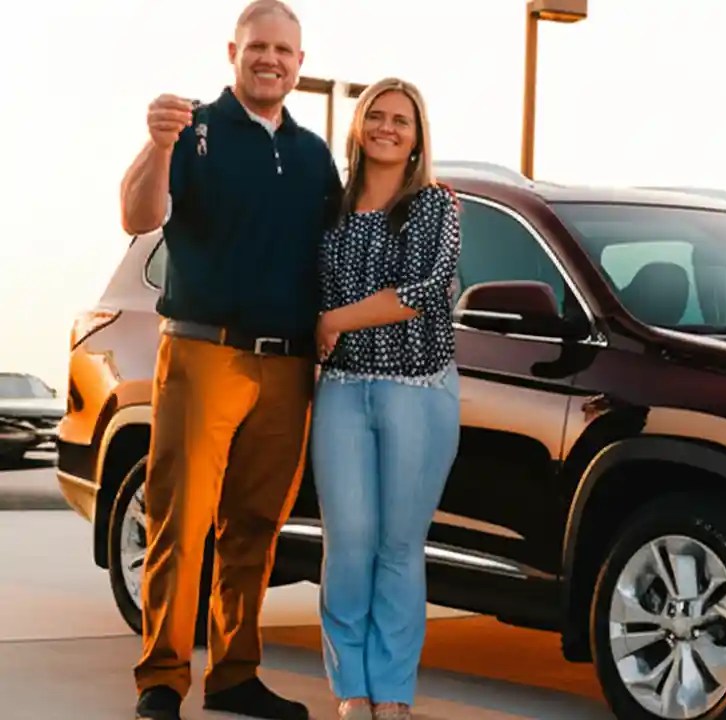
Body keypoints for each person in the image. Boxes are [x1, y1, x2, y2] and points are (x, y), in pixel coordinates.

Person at [119, 2, 340, 719]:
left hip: (287, 367)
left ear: (300, 64)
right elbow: (139, 216)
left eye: (284, 50)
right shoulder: (192, 129)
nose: (270, 59)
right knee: (181, 522)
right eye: (258, 47)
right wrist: (158, 145)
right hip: (204, 352)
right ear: (233, 52)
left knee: (254, 525)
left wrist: (426, 200)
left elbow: (343, 239)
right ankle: (162, 677)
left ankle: (235, 674)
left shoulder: (312, 155)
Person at [309, 77, 462, 720]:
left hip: (418, 393)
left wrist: (335, 320)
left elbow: (424, 291)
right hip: (342, 392)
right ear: (358, 126)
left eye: (402, 120)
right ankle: (351, 688)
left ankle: (393, 693)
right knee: (348, 543)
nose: (387, 128)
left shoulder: (435, 205)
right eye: (377, 115)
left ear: (418, 137)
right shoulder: (330, 208)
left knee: (399, 546)